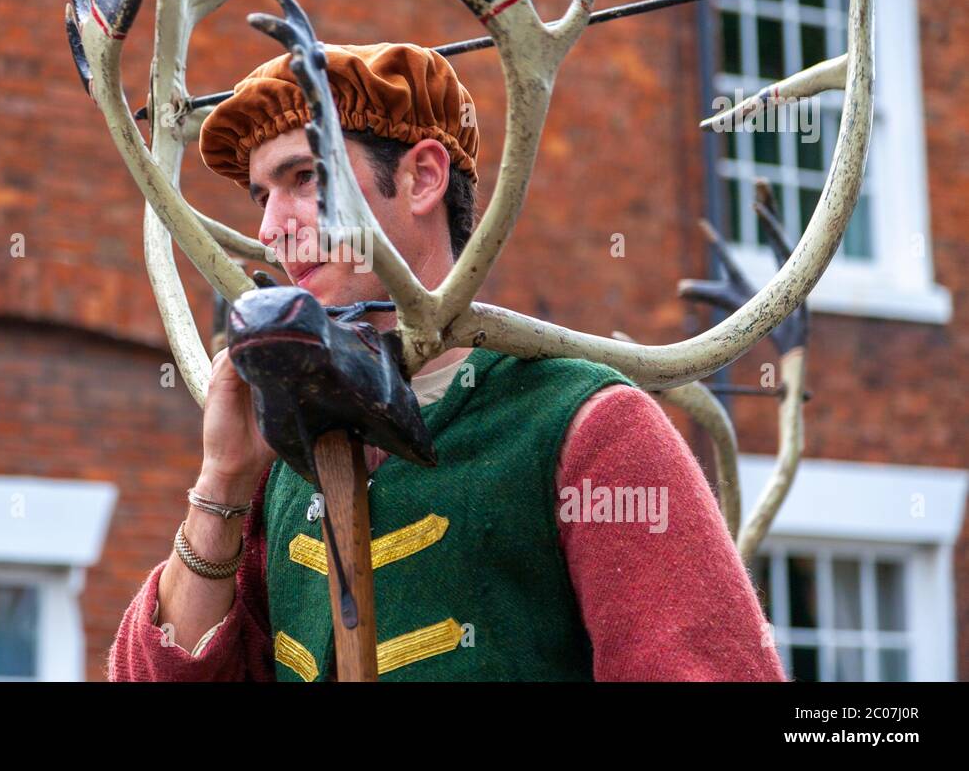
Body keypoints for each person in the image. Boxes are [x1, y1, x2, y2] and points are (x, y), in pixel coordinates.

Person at [108, 42, 784, 681]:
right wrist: (223, 482)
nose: (268, 228)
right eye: (262, 195)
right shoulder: (274, 466)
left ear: (422, 178)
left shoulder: (591, 429)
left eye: (304, 177)